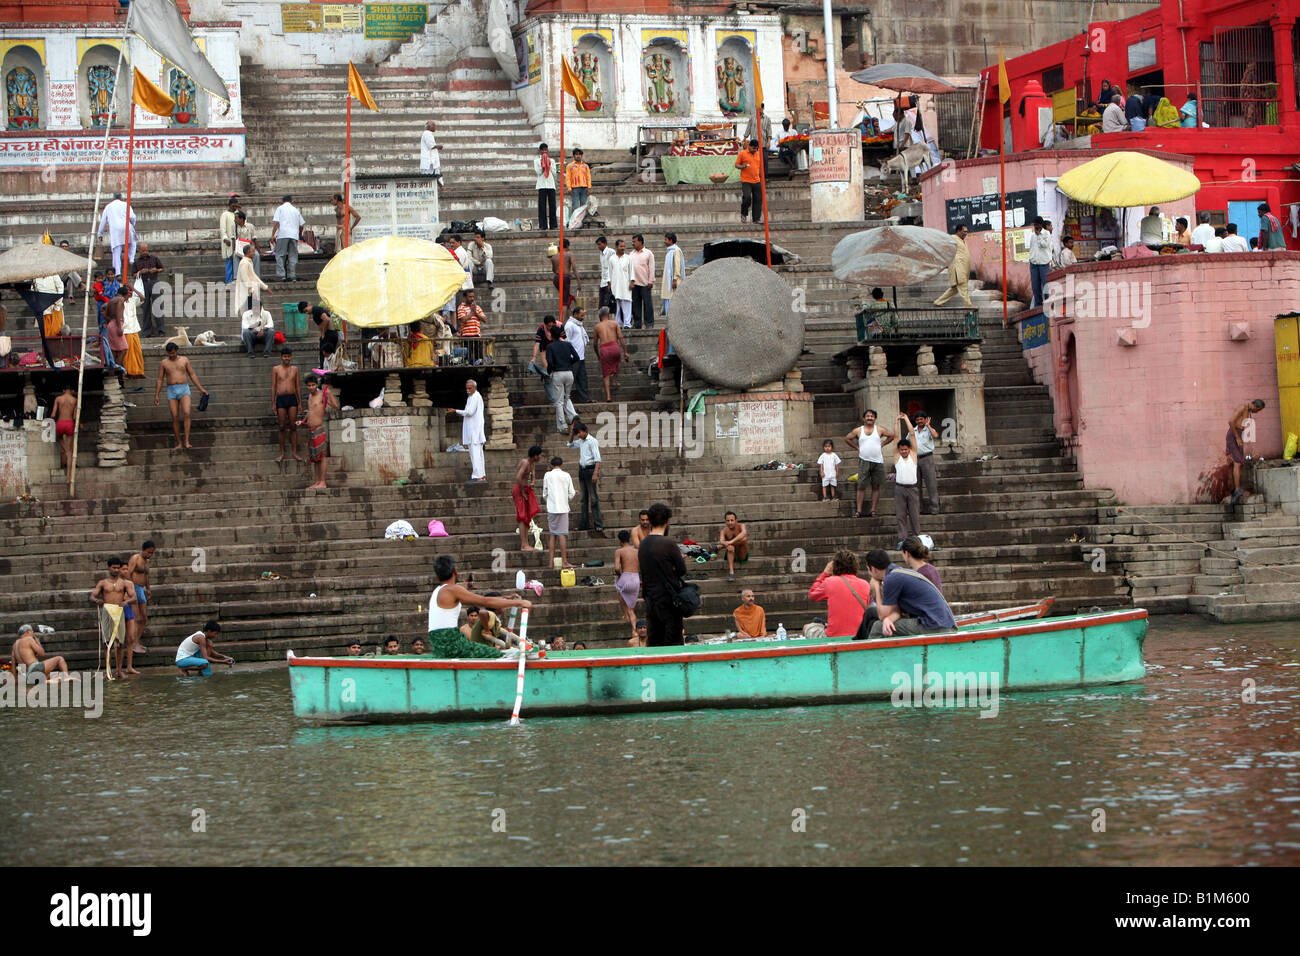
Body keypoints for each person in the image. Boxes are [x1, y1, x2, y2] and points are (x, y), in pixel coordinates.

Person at [427, 556, 533, 658]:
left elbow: (481, 598)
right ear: (455, 571)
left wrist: (506, 598)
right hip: (452, 645)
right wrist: (519, 603)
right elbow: (485, 601)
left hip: (438, 645)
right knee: (496, 653)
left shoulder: (437, 591)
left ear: (437, 576)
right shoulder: (453, 589)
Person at [864, 549, 955, 638]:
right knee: (885, 625)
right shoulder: (897, 573)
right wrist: (888, 619)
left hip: (934, 625)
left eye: (868, 570)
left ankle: (867, 653)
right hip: (944, 623)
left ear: (873, 569)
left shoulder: (891, 579)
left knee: (878, 627)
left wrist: (876, 587)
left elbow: (882, 615)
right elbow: (896, 612)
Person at [637, 502, 687, 647]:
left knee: (655, 642)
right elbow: (682, 570)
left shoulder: (643, 544)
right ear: (667, 522)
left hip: (651, 601)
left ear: (650, 521)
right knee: (673, 642)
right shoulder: (668, 543)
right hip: (669, 600)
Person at [808, 550, 875, 639]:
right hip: (859, 635)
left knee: (807, 627)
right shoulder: (865, 584)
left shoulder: (830, 582)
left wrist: (825, 573)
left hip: (833, 636)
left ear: (834, 566)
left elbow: (812, 595)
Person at [154, 342, 207, 450]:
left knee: (187, 413)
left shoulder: (184, 360)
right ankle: (179, 442)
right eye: (169, 353)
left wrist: (201, 389)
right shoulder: (164, 363)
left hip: (184, 388)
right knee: (175, 416)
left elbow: (192, 374)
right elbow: (160, 379)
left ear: (176, 350)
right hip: (171, 390)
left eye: (173, 353)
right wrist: (156, 395)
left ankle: (187, 440)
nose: (172, 355)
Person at [90, 557, 135, 680]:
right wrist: (97, 600)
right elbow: (92, 596)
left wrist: (127, 602)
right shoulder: (103, 583)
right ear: (109, 568)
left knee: (120, 642)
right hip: (107, 611)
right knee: (107, 643)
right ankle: (108, 671)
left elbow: (133, 597)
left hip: (119, 611)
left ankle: (119, 670)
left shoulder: (124, 583)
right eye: (113, 567)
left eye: (117, 568)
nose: (116, 570)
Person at [846, 408, 894, 518]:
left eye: (872, 416)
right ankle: (858, 511)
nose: (870, 418)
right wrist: (857, 447)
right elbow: (847, 438)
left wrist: (883, 444)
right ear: (864, 418)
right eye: (868, 416)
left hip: (878, 461)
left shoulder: (880, 429)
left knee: (876, 486)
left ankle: (873, 510)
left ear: (875, 418)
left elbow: (891, 435)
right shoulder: (859, 430)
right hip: (864, 460)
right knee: (861, 486)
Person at [1226, 398, 1266, 504]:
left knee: (1238, 462)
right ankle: (1237, 489)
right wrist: (1237, 437)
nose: (1257, 412)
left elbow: (1241, 426)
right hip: (1233, 436)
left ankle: (1237, 489)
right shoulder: (1243, 407)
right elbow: (1231, 422)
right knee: (1238, 463)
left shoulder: (1248, 411)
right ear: (1255, 406)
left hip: (1238, 435)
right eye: (1258, 410)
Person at [123, 540, 155, 671]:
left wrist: (148, 588)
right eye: (148, 552)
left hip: (142, 589)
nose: (150, 555)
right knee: (136, 618)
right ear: (143, 549)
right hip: (134, 588)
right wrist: (131, 590)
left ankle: (137, 641)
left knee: (144, 618)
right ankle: (134, 644)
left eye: (152, 553)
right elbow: (128, 574)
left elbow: (146, 575)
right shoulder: (135, 558)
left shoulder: (146, 561)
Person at [569, 420, 605, 535]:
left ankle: (598, 524)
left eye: (580, 433)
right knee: (583, 499)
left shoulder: (592, 441)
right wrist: (571, 433)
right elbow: (570, 445)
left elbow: (597, 459)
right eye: (577, 433)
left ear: (585, 431)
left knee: (593, 498)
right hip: (582, 470)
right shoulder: (580, 441)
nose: (579, 435)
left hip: (590, 470)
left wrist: (595, 473)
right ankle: (584, 524)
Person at [900, 411, 940, 514]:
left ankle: (934, 508)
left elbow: (935, 435)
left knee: (931, 484)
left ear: (925, 419)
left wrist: (929, 426)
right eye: (917, 419)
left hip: (927, 458)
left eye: (921, 419)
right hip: (915, 459)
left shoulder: (929, 430)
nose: (919, 421)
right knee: (916, 485)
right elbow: (907, 444)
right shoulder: (912, 431)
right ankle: (918, 509)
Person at [304, 372, 338, 490]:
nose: (311, 387)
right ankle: (317, 481)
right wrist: (303, 421)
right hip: (311, 429)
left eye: (313, 385)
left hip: (319, 428)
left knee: (322, 456)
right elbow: (310, 412)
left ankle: (323, 482)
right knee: (314, 458)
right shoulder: (309, 396)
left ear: (316, 385)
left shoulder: (322, 395)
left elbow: (335, 405)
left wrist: (329, 393)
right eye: (309, 385)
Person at [449, 378, 486, 482]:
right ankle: (481, 475)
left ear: (475, 387)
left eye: (469, 388)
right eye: (466, 388)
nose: (467, 390)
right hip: (473, 430)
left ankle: (477, 476)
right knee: (477, 453)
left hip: (475, 430)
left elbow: (469, 412)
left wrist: (456, 410)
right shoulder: (471, 397)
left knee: (475, 454)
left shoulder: (475, 397)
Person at [543, 330, 581, 433]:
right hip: (569, 373)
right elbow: (577, 357)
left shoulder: (550, 347)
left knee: (559, 401)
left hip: (558, 373)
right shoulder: (567, 344)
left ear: (551, 336)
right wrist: (568, 363)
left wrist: (549, 371)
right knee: (567, 397)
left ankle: (563, 426)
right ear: (560, 335)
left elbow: (550, 362)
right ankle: (573, 415)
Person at [543, 455, 576, 567]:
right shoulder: (566, 475)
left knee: (553, 534)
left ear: (551, 465)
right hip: (563, 508)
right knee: (562, 535)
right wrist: (565, 499)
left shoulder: (547, 475)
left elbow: (545, 493)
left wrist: (550, 501)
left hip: (552, 508)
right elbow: (571, 493)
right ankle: (564, 561)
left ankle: (550, 562)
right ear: (562, 465)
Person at [271, 347, 303, 463]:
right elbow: (274, 386)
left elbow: (298, 386)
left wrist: (300, 403)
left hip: (292, 398)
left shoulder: (295, 369)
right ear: (281, 357)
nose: (286, 358)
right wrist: (273, 403)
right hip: (280, 398)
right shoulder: (276, 369)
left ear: (291, 357)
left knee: (293, 426)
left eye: (288, 356)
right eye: (284, 356)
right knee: (281, 426)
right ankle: (282, 453)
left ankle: (294, 452)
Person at [592, 307, 629, 401]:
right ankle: (615, 381)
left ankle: (608, 396)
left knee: (606, 374)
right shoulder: (615, 323)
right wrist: (625, 352)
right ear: (608, 314)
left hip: (604, 349)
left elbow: (595, 344)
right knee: (617, 363)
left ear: (600, 316)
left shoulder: (597, 327)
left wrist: (598, 355)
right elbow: (621, 338)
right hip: (615, 347)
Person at [97, 192, 137, 276]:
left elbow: (103, 221)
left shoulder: (108, 206)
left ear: (113, 198)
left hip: (115, 229)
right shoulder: (126, 204)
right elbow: (133, 217)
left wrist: (100, 234)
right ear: (121, 198)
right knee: (132, 242)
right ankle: (131, 259)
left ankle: (117, 272)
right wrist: (132, 224)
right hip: (126, 226)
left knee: (116, 251)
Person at [892, 434, 922, 548]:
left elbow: (913, 436)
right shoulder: (897, 457)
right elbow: (895, 439)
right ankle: (902, 539)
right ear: (899, 450)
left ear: (909, 449)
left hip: (912, 488)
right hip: (900, 488)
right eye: (901, 449)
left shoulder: (913, 456)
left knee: (914, 515)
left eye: (905, 449)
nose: (904, 451)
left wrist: (905, 419)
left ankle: (917, 538)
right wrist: (896, 422)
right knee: (901, 515)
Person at [513, 445, 543, 551]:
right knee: (522, 516)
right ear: (535, 455)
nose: (541, 457)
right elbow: (518, 477)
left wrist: (533, 482)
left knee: (527, 516)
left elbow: (533, 474)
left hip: (525, 489)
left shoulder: (531, 463)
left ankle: (526, 544)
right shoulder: (525, 463)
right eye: (539, 455)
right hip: (519, 490)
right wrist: (522, 491)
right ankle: (524, 544)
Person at [933, 225, 972, 307]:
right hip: (957, 268)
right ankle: (969, 306)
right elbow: (945, 247)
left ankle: (938, 302)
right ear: (958, 231)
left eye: (966, 231)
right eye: (964, 231)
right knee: (963, 286)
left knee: (955, 289)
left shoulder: (962, 241)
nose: (966, 233)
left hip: (963, 268)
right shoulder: (952, 239)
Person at [132, 242, 165, 337]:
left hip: (154, 282)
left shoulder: (154, 258)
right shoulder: (136, 262)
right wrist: (140, 272)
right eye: (143, 251)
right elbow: (133, 275)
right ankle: (147, 332)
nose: (145, 252)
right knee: (145, 308)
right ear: (139, 251)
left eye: (146, 250)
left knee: (157, 307)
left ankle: (161, 330)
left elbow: (162, 268)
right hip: (143, 285)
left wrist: (156, 270)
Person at [270, 195, 305, 282]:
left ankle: (282, 275)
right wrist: (299, 234)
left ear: (283, 201)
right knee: (293, 255)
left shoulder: (280, 208)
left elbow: (276, 223)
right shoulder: (296, 210)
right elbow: (301, 225)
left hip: (283, 234)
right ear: (291, 201)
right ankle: (293, 275)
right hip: (294, 235)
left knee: (280, 254)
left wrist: (272, 235)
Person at [613, 530, 640, 638]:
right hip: (636, 578)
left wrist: (619, 575)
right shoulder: (636, 551)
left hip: (626, 576)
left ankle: (634, 629)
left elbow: (616, 567)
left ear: (619, 540)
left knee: (626, 604)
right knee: (623, 598)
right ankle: (627, 616)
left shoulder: (619, 551)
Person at [564, 305, 591, 403]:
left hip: (581, 356)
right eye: (581, 315)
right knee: (571, 379)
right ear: (575, 314)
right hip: (573, 358)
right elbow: (566, 341)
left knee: (582, 379)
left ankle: (584, 398)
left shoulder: (579, 325)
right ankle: (565, 399)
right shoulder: (570, 325)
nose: (583, 317)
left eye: (583, 315)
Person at [300, 302, 339, 369]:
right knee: (325, 354)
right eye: (305, 312)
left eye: (306, 310)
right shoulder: (315, 314)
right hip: (328, 334)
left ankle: (326, 369)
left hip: (330, 334)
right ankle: (326, 369)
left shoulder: (316, 309)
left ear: (309, 305)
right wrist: (321, 338)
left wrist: (323, 333)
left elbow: (326, 319)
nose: (307, 313)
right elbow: (320, 326)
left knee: (325, 353)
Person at [628, 234, 656, 329]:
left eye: (634, 241)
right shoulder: (631, 254)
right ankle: (637, 324)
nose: (633, 243)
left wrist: (651, 280)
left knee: (647, 304)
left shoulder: (648, 253)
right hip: (634, 283)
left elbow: (651, 268)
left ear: (640, 242)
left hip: (645, 283)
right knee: (635, 305)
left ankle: (649, 323)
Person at [735, 137, 763, 223]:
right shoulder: (743, 153)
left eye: (756, 148)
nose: (755, 150)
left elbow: (760, 166)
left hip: (757, 180)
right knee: (747, 198)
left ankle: (756, 219)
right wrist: (743, 167)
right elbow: (736, 165)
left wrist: (762, 177)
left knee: (758, 199)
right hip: (746, 180)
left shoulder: (759, 154)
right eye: (753, 148)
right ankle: (744, 214)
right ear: (749, 146)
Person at [456, 288, 486, 363]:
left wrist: (475, 312)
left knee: (479, 359)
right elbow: (463, 319)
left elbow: (484, 319)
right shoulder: (461, 307)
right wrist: (471, 313)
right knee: (468, 359)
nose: (472, 299)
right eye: (470, 297)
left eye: (473, 297)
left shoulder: (477, 307)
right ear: (465, 297)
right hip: (466, 337)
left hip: (477, 336)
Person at [1028, 218, 1053, 306]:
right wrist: (1031, 259)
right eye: (1035, 225)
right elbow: (1031, 248)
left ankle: (1047, 304)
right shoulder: (1032, 235)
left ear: (1041, 225)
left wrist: (1039, 236)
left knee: (1046, 285)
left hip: (1044, 263)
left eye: (1037, 225)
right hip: (1034, 264)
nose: (1036, 227)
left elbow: (1044, 245)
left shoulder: (1046, 234)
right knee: (1035, 287)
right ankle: (1038, 306)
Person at [52, 385, 77, 474]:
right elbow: (75, 416)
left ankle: (66, 450)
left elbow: (53, 414)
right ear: (72, 391)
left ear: (63, 390)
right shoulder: (74, 400)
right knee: (70, 452)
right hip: (69, 423)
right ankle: (68, 477)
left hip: (60, 422)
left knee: (58, 437)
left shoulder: (58, 399)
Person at [611, 238, 635, 329]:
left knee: (627, 303)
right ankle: (618, 324)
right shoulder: (612, 259)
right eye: (621, 246)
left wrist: (632, 281)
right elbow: (610, 272)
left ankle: (627, 323)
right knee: (616, 304)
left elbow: (631, 271)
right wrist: (609, 283)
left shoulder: (628, 258)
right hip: (615, 285)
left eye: (624, 246)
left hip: (626, 284)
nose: (622, 248)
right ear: (616, 247)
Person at [719, 510, 748, 582]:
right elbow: (721, 540)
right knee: (730, 547)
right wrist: (727, 544)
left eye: (732, 520)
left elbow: (744, 533)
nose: (730, 522)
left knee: (744, 539)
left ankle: (718, 547)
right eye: (728, 520)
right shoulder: (724, 531)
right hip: (731, 553)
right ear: (725, 522)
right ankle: (731, 572)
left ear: (736, 520)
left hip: (742, 553)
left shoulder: (741, 526)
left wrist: (730, 542)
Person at [103, 286, 129, 367]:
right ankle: (117, 370)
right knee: (124, 349)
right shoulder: (120, 299)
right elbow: (118, 312)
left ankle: (113, 372)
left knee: (114, 350)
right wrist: (119, 326)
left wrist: (112, 322)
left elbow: (105, 316)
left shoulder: (111, 301)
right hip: (116, 325)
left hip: (111, 325)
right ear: (125, 295)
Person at [535, 143, 558, 231]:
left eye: (545, 150)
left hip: (550, 184)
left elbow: (554, 172)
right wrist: (542, 164)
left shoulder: (551, 160)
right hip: (541, 185)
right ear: (540, 151)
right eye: (543, 150)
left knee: (552, 205)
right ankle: (542, 225)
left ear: (547, 150)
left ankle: (553, 225)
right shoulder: (536, 161)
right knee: (542, 206)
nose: (544, 151)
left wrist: (548, 164)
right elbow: (538, 172)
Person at [661, 232, 683, 318]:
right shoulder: (670, 251)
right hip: (668, 281)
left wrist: (675, 279)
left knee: (672, 301)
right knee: (668, 300)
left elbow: (677, 266)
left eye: (666, 240)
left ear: (670, 240)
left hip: (673, 282)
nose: (665, 241)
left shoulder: (676, 251)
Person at [219, 195, 239, 283]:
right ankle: (228, 281)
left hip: (238, 242)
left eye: (236, 206)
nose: (235, 207)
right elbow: (222, 229)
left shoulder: (238, 214)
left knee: (237, 261)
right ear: (229, 205)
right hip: (229, 242)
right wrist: (225, 239)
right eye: (233, 206)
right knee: (230, 261)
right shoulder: (225, 215)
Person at [419, 120, 445, 186]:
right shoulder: (427, 133)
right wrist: (439, 146)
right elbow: (431, 146)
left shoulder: (427, 133)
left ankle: (442, 187)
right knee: (430, 176)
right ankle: (442, 188)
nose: (435, 127)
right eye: (434, 126)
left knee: (437, 174)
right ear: (429, 127)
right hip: (429, 160)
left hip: (431, 160)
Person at [566, 147, 591, 211]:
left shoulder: (585, 166)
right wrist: (569, 188)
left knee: (584, 206)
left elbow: (588, 177)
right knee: (575, 206)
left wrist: (589, 188)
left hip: (584, 188)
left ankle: (583, 220)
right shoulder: (570, 166)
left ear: (581, 156)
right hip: (574, 188)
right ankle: (575, 221)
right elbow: (568, 177)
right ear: (574, 156)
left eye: (580, 154)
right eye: (576, 154)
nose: (578, 156)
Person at [596, 235, 617, 312]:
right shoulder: (601, 253)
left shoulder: (611, 252)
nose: (598, 246)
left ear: (605, 243)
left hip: (610, 282)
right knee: (602, 304)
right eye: (598, 245)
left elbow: (612, 267)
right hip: (603, 282)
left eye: (599, 244)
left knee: (611, 303)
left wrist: (610, 282)